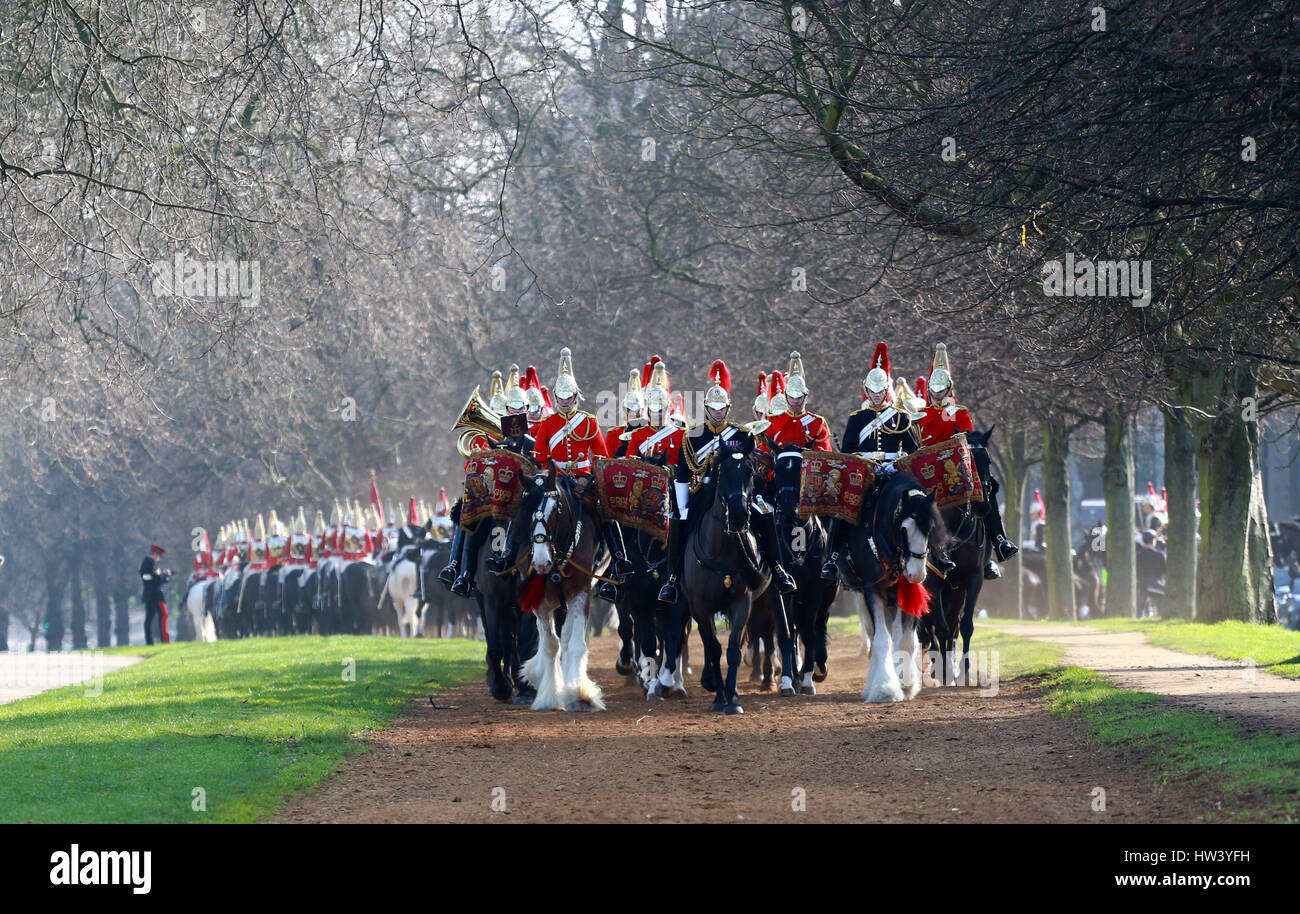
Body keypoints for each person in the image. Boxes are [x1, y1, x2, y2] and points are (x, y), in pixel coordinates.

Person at [657, 359, 796, 604]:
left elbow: (751, 466)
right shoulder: (692, 435)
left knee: (764, 515)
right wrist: (681, 505)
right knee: (679, 521)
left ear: (728, 408)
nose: (718, 412)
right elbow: (682, 475)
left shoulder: (742, 433)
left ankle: (778, 569)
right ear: (707, 408)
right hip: (703, 492)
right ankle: (672, 579)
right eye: (714, 407)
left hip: (735, 490)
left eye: (722, 408)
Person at [821, 342, 922, 580]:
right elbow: (848, 451)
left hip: (892, 473)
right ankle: (833, 558)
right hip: (865, 474)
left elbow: (912, 450)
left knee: (919, 507)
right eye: (872, 391)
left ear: (886, 390)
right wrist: (864, 464)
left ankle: (931, 553)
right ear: (866, 391)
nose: (876, 395)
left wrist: (897, 463)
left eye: (880, 391)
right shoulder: (857, 418)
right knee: (843, 510)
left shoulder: (900, 417)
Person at [917, 342, 1018, 578]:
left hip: (956, 469)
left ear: (949, 389)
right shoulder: (919, 415)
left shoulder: (960, 411)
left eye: (942, 389)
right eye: (934, 388)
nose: (937, 393)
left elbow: (967, 441)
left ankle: (998, 543)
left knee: (987, 489)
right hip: (930, 472)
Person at [139, 544, 172, 644]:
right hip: (156, 595)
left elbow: (155, 577)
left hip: (150, 595)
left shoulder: (147, 563)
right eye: (158, 556)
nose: (158, 559)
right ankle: (165, 639)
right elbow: (157, 579)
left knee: (149, 618)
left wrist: (163, 575)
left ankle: (149, 641)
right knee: (163, 615)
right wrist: (165, 575)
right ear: (155, 554)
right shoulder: (150, 563)